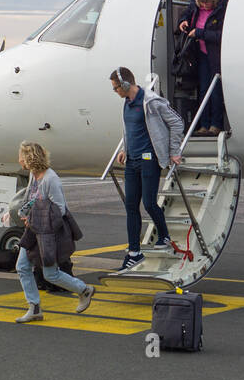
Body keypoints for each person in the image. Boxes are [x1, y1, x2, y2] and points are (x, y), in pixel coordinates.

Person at [109, 66, 183, 270]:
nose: (115, 92)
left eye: (116, 88)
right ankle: (134, 252)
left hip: (149, 159)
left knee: (149, 203)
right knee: (131, 206)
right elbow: (130, 128)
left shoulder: (151, 102)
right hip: (132, 161)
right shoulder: (126, 103)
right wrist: (125, 148)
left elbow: (177, 123)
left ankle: (165, 236)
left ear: (125, 85)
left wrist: (174, 151)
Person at [12, 141, 94, 323]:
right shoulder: (34, 175)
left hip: (48, 233)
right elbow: (34, 199)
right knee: (22, 267)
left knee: (51, 274)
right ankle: (34, 307)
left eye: (21, 156)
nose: (19, 160)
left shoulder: (51, 179)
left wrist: (34, 217)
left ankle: (84, 290)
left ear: (29, 158)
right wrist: (24, 212)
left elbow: (60, 209)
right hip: (33, 229)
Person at [176, 0, 228, 136]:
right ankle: (204, 124)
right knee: (203, 88)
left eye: (207, 3)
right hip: (201, 54)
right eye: (201, 3)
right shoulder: (196, 3)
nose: (204, 6)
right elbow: (186, 14)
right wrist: (183, 21)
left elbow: (222, 35)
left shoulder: (222, 8)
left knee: (216, 89)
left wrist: (200, 33)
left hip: (216, 54)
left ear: (215, 0)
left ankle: (216, 124)